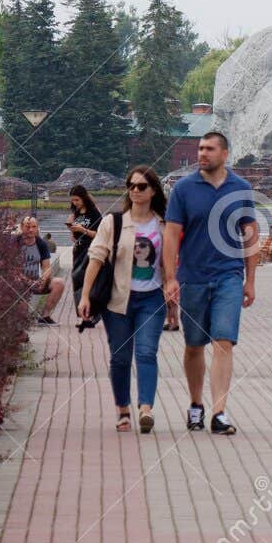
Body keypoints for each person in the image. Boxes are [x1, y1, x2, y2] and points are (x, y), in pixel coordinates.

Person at [164, 131, 258, 437]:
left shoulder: (240, 189)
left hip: (229, 276)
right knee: (194, 345)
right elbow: (171, 234)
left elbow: (250, 235)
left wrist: (250, 281)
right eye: (200, 148)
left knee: (223, 341)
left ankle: (219, 412)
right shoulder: (184, 188)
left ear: (225, 154)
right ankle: (196, 404)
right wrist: (170, 277)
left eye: (209, 149)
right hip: (193, 277)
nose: (202, 153)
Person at [78, 165, 170, 433]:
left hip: (152, 299)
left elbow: (170, 263)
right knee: (120, 357)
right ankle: (123, 409)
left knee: (146, 352)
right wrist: (85, 296)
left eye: (141, 186)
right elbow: (96, 259)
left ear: (153, 191)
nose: (135, 190)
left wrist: (173, 295)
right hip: (118, 300)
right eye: (131, 185)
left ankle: (145, 408)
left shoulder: (163, 225)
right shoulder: (113, 222)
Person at [65, 186, 103, 329]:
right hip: (78, 250)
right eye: (73, 200)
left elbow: (99, 234)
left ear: (84, 198)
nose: (74, 203)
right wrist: (72, 230)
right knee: (77, 281)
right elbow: (74, 234)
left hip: (90, 251)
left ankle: (92, 314)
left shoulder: (93, 212)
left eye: (77, 200)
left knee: (88, 281)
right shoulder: (75, 212)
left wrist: (83, 230)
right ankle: (83, 315)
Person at [17, 216, 67, 324]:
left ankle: (45, 317)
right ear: (21, 227)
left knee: (59, 283)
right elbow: (11, 270)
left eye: (34, 227)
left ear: (37, 228)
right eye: (28, 227)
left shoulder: (41, 244)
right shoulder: (15, 242)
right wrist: (27, 281)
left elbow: (46, 267)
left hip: (35, 281)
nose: (31, 230)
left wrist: (43, 280)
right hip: (18, 282)